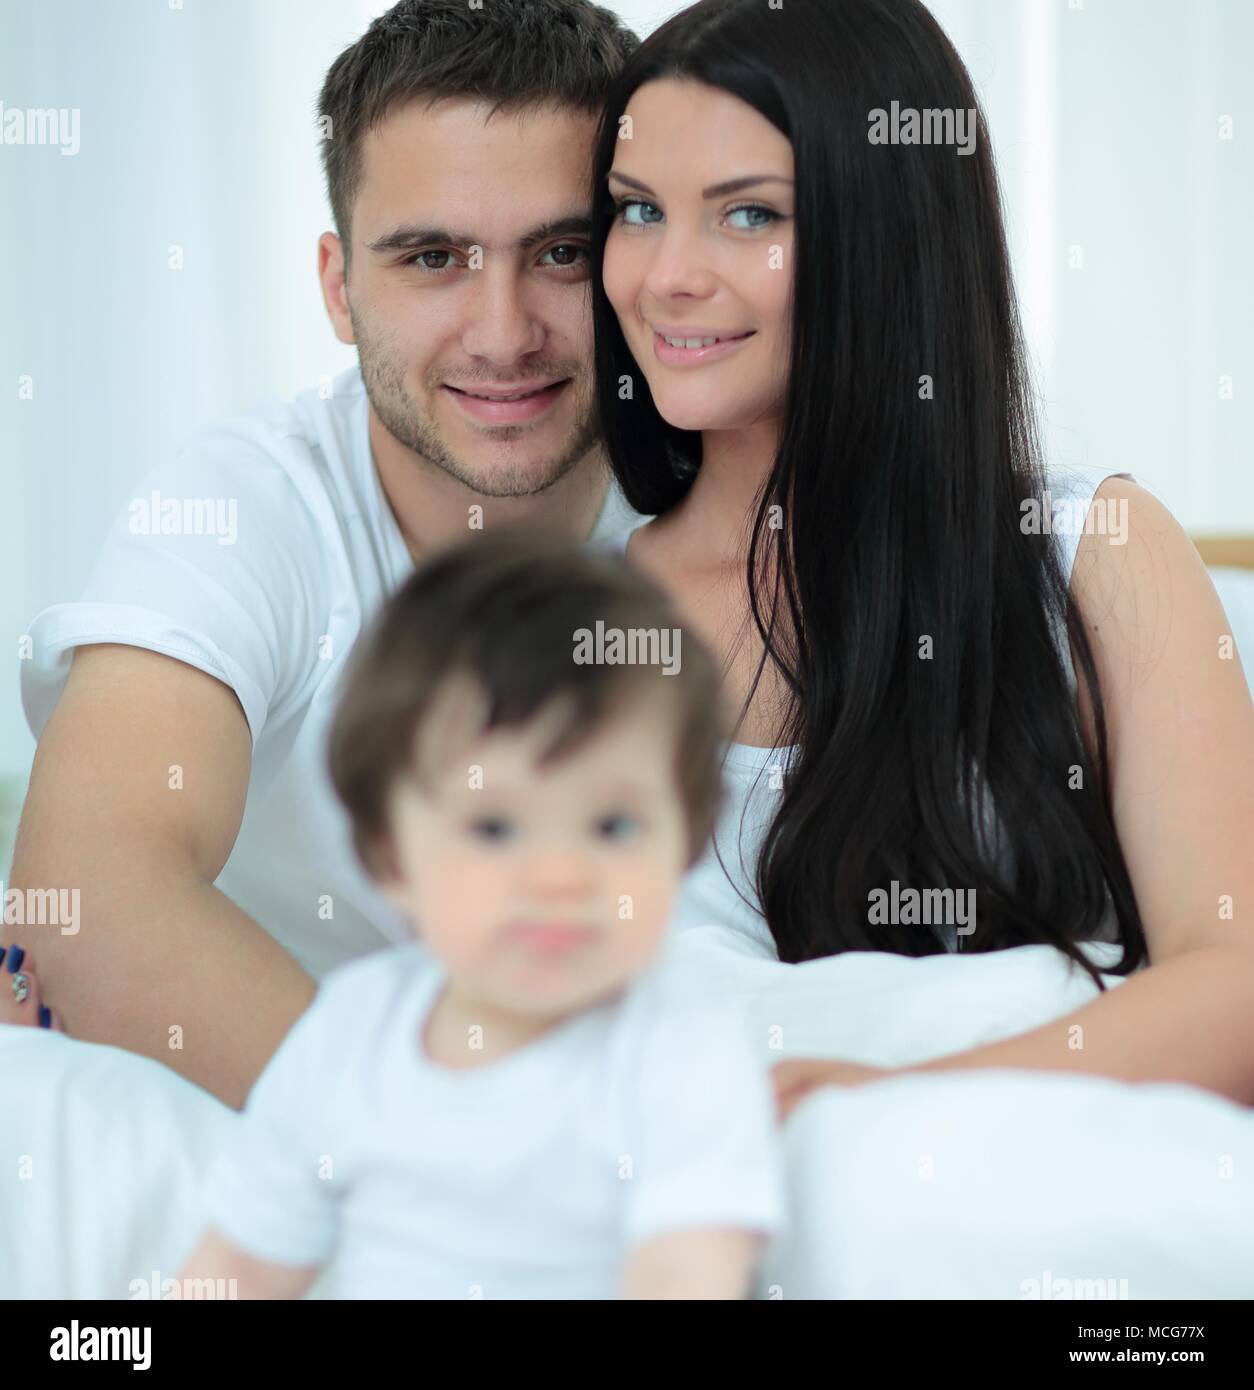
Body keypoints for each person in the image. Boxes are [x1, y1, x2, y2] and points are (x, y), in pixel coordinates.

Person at [588, 0, 1254, 1110]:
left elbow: (1237, 987)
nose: (666, 276)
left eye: (749, 215)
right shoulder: (575, 621)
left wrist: (874, 1110)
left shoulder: (1097, 559)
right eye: (638, 210)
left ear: (889, 234)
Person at [5, 0, 641, 1108]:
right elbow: (82, 896)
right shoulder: (245, 501)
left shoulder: (726, 493)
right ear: (339, 288)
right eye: (434, 256)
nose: (503, 332)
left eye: (564, 251)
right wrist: (458, 1151)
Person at [174, 528, 785, 1299]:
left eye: (614, 827)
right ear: (394, 860)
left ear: (685, 839)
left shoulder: (677, 1048)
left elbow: (687, 1272)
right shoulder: (349, 1033)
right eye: (495, 828)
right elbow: (238, 1270)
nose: (561, 876)